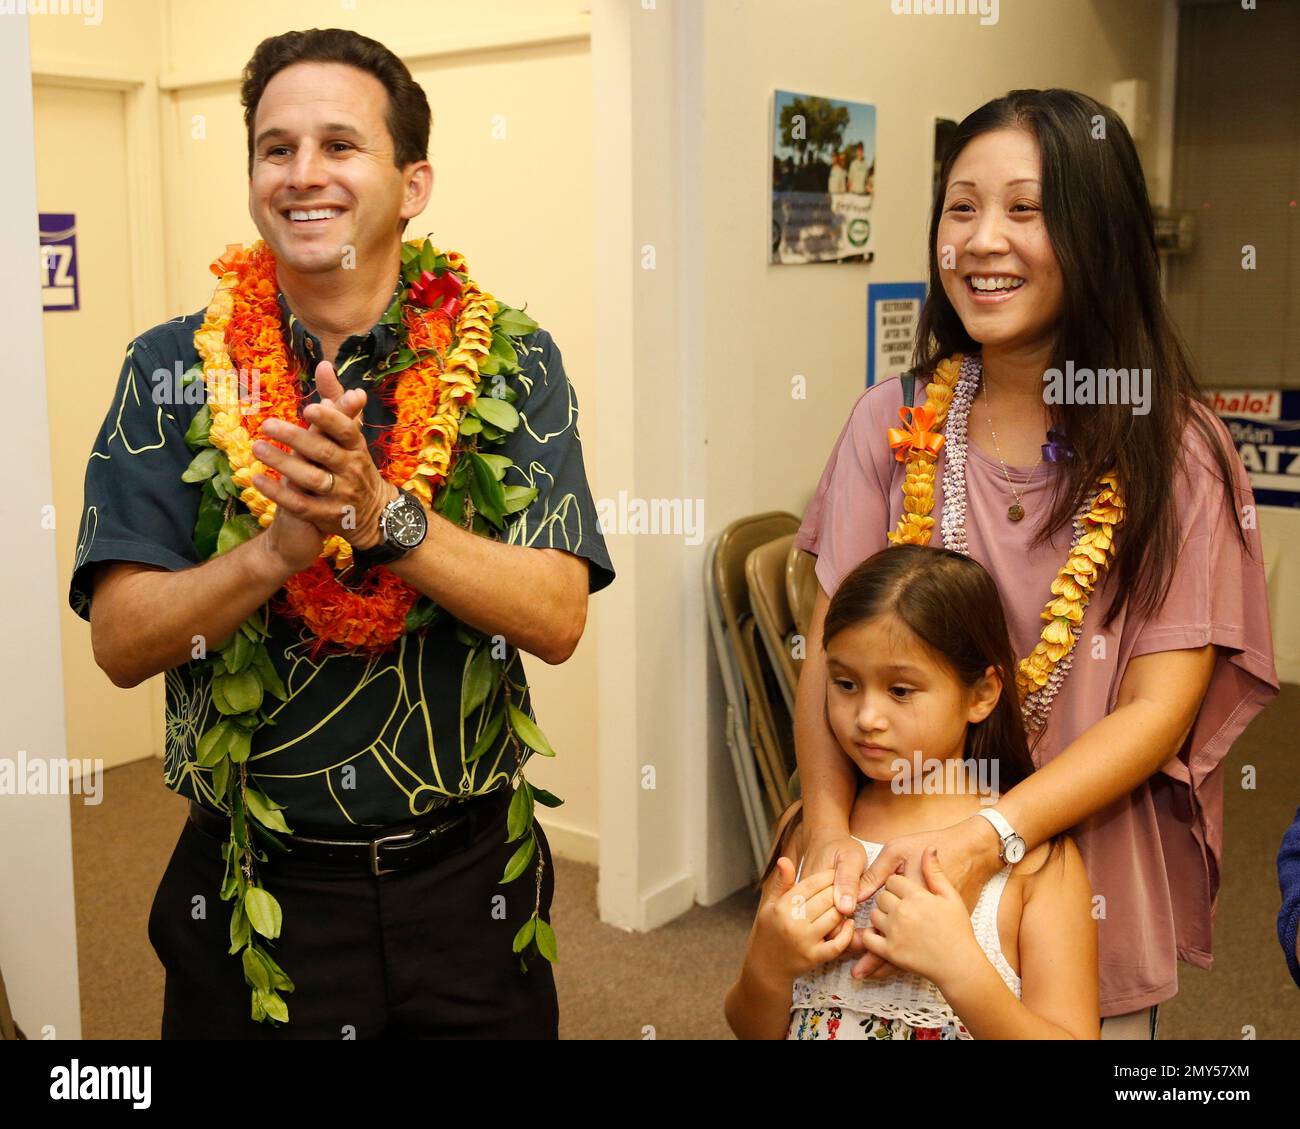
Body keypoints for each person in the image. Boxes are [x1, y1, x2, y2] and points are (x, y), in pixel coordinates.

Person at [69, 28, 614, 1039]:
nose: (302, 174)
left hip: (467, 885)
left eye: (338, 145)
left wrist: (383, 518)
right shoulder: (168, 368)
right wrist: (274, 554)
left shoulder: (508, 359)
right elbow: (121, 642)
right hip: (253, 892)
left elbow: (555, 616)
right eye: (276, 149)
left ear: (412, 184)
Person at [792, 88, 1279, 1039]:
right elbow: (825, 654)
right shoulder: (887, 419)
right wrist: (823, 831)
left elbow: (1155, 709)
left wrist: (989, 837)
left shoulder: (1176, 449)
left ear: (1096, 234)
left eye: (1025, 209)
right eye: (961, 207)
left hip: (1080, 875)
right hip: (888, 863)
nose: (981, 241)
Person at [725, 546, 1099, 1040]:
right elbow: (751, 1029)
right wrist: (767, 967)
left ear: (982, 695)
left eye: (900, 691)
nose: (867, 718)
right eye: (845, 683)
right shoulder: (808, 832)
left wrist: (960, 968)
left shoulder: (1037, 864)